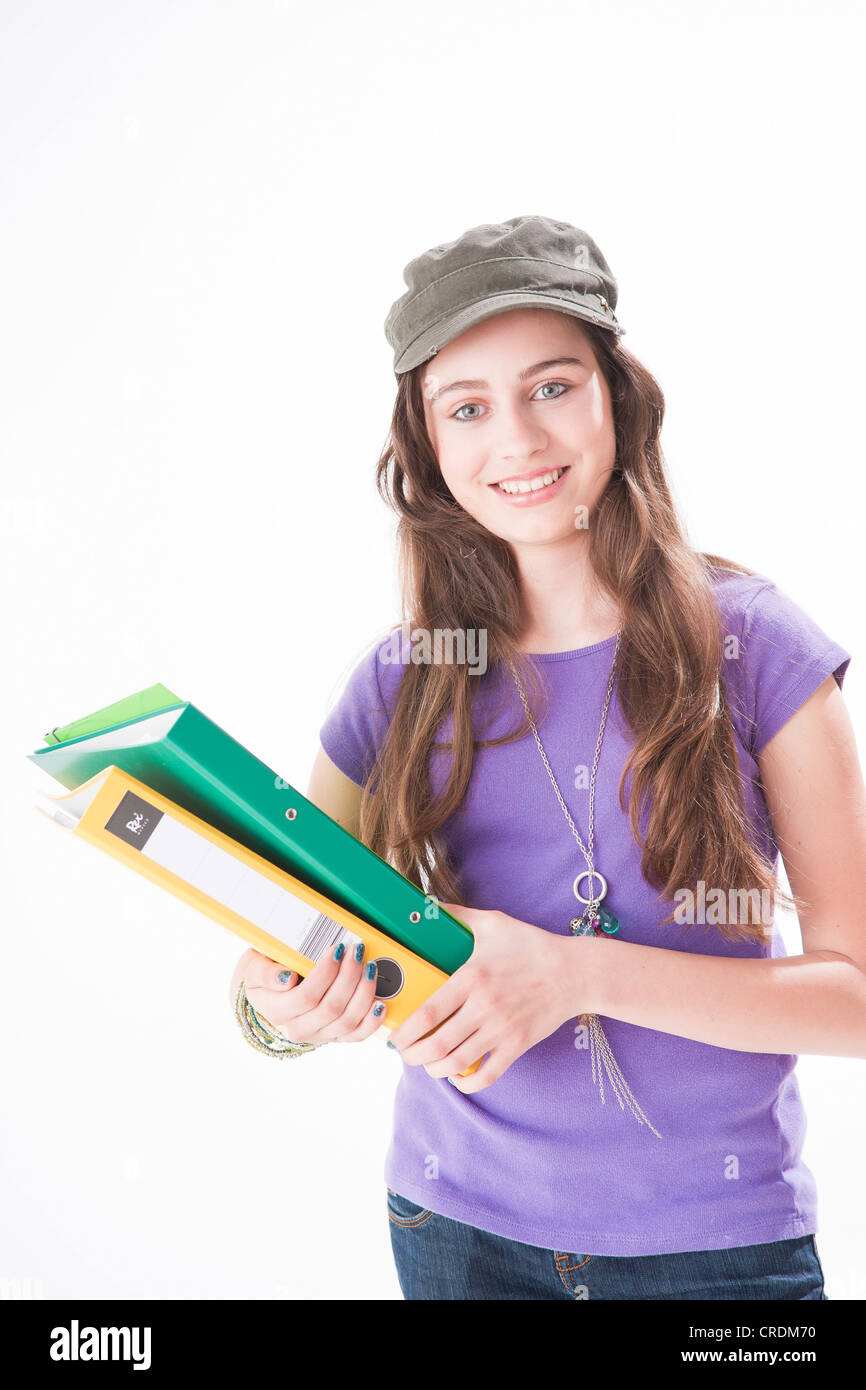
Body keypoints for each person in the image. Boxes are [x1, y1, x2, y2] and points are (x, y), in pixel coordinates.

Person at [230, 216, 866, 1300]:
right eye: (465, 408)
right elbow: (280, 944)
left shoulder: (753, 646)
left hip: (715, 1258)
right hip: (454, 1235)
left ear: (616, 397)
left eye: (552, 387)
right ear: (426, 445)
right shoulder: (401, 681)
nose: (515, 440)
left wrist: (573, 973)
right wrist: (272, 1004)